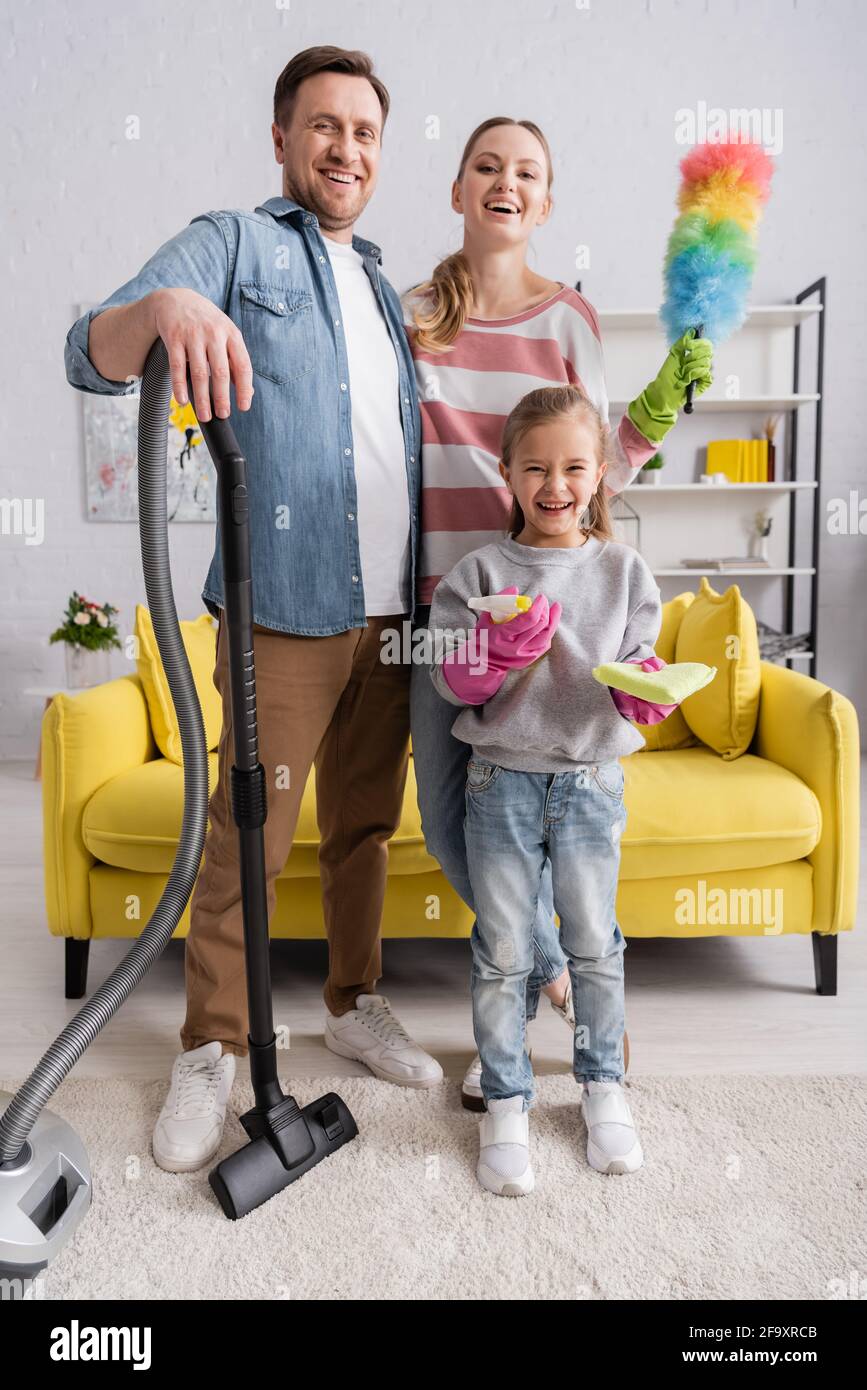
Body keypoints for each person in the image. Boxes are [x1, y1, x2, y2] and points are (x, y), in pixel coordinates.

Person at [64, 46, 444, 1175]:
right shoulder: (234, 242)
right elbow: (90, 349)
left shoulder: (383, 285)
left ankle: (352, 1001)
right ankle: (213, 1043)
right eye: (324, 126)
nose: (347, 148)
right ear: (283, 140)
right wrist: (168, 304)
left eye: (366, 132)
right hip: (282, 603)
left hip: (394, 607)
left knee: (365, 826)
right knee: (247, 836)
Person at [401, 117, 712, 1107]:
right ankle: (555, 972)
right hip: (444, 606)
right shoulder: (409, 313)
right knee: (456, 829)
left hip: (556, 608)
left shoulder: (569, 318)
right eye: (487, 165)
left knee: (536, 829)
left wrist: (649, 424)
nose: (505, 181)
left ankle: (552, 992)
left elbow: (584, 468)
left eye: (526, 172)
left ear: (544, 203)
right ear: (458, 188)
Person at [427, 384, 683, 1194]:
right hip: (497, 784)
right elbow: (450, 681)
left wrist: (645, 688)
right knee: (501, 954)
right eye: (534, 467)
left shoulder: (621, 568)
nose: (554, 484)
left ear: (600, 472)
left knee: (594, 947)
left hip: (589, 784)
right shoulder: (477, 570)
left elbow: (643, 663)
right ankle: (507, 1103)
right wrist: (489, 657)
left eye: (574, 467)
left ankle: (602, 1091)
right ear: (505, 471)